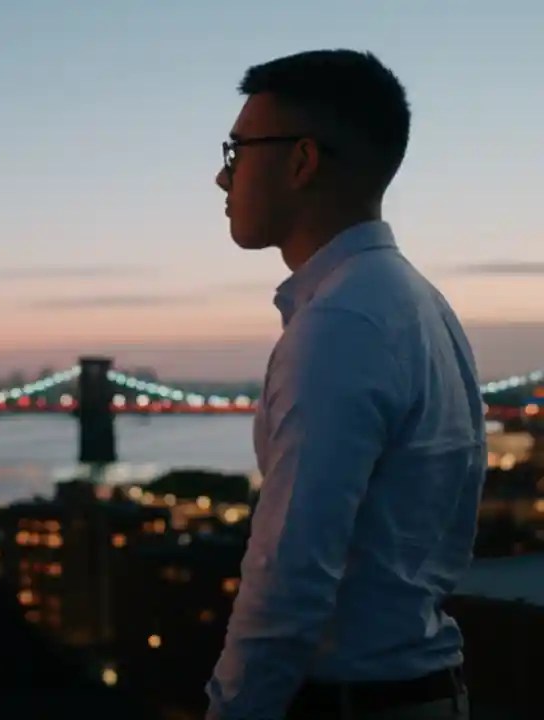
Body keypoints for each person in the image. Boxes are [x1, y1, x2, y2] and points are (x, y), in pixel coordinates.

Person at [206, 50, 485, 719]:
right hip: (425, 691)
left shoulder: (340, 324)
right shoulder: (416, 302)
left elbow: (289, 574)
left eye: (237, 151)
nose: (221, 176)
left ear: (302, 160)